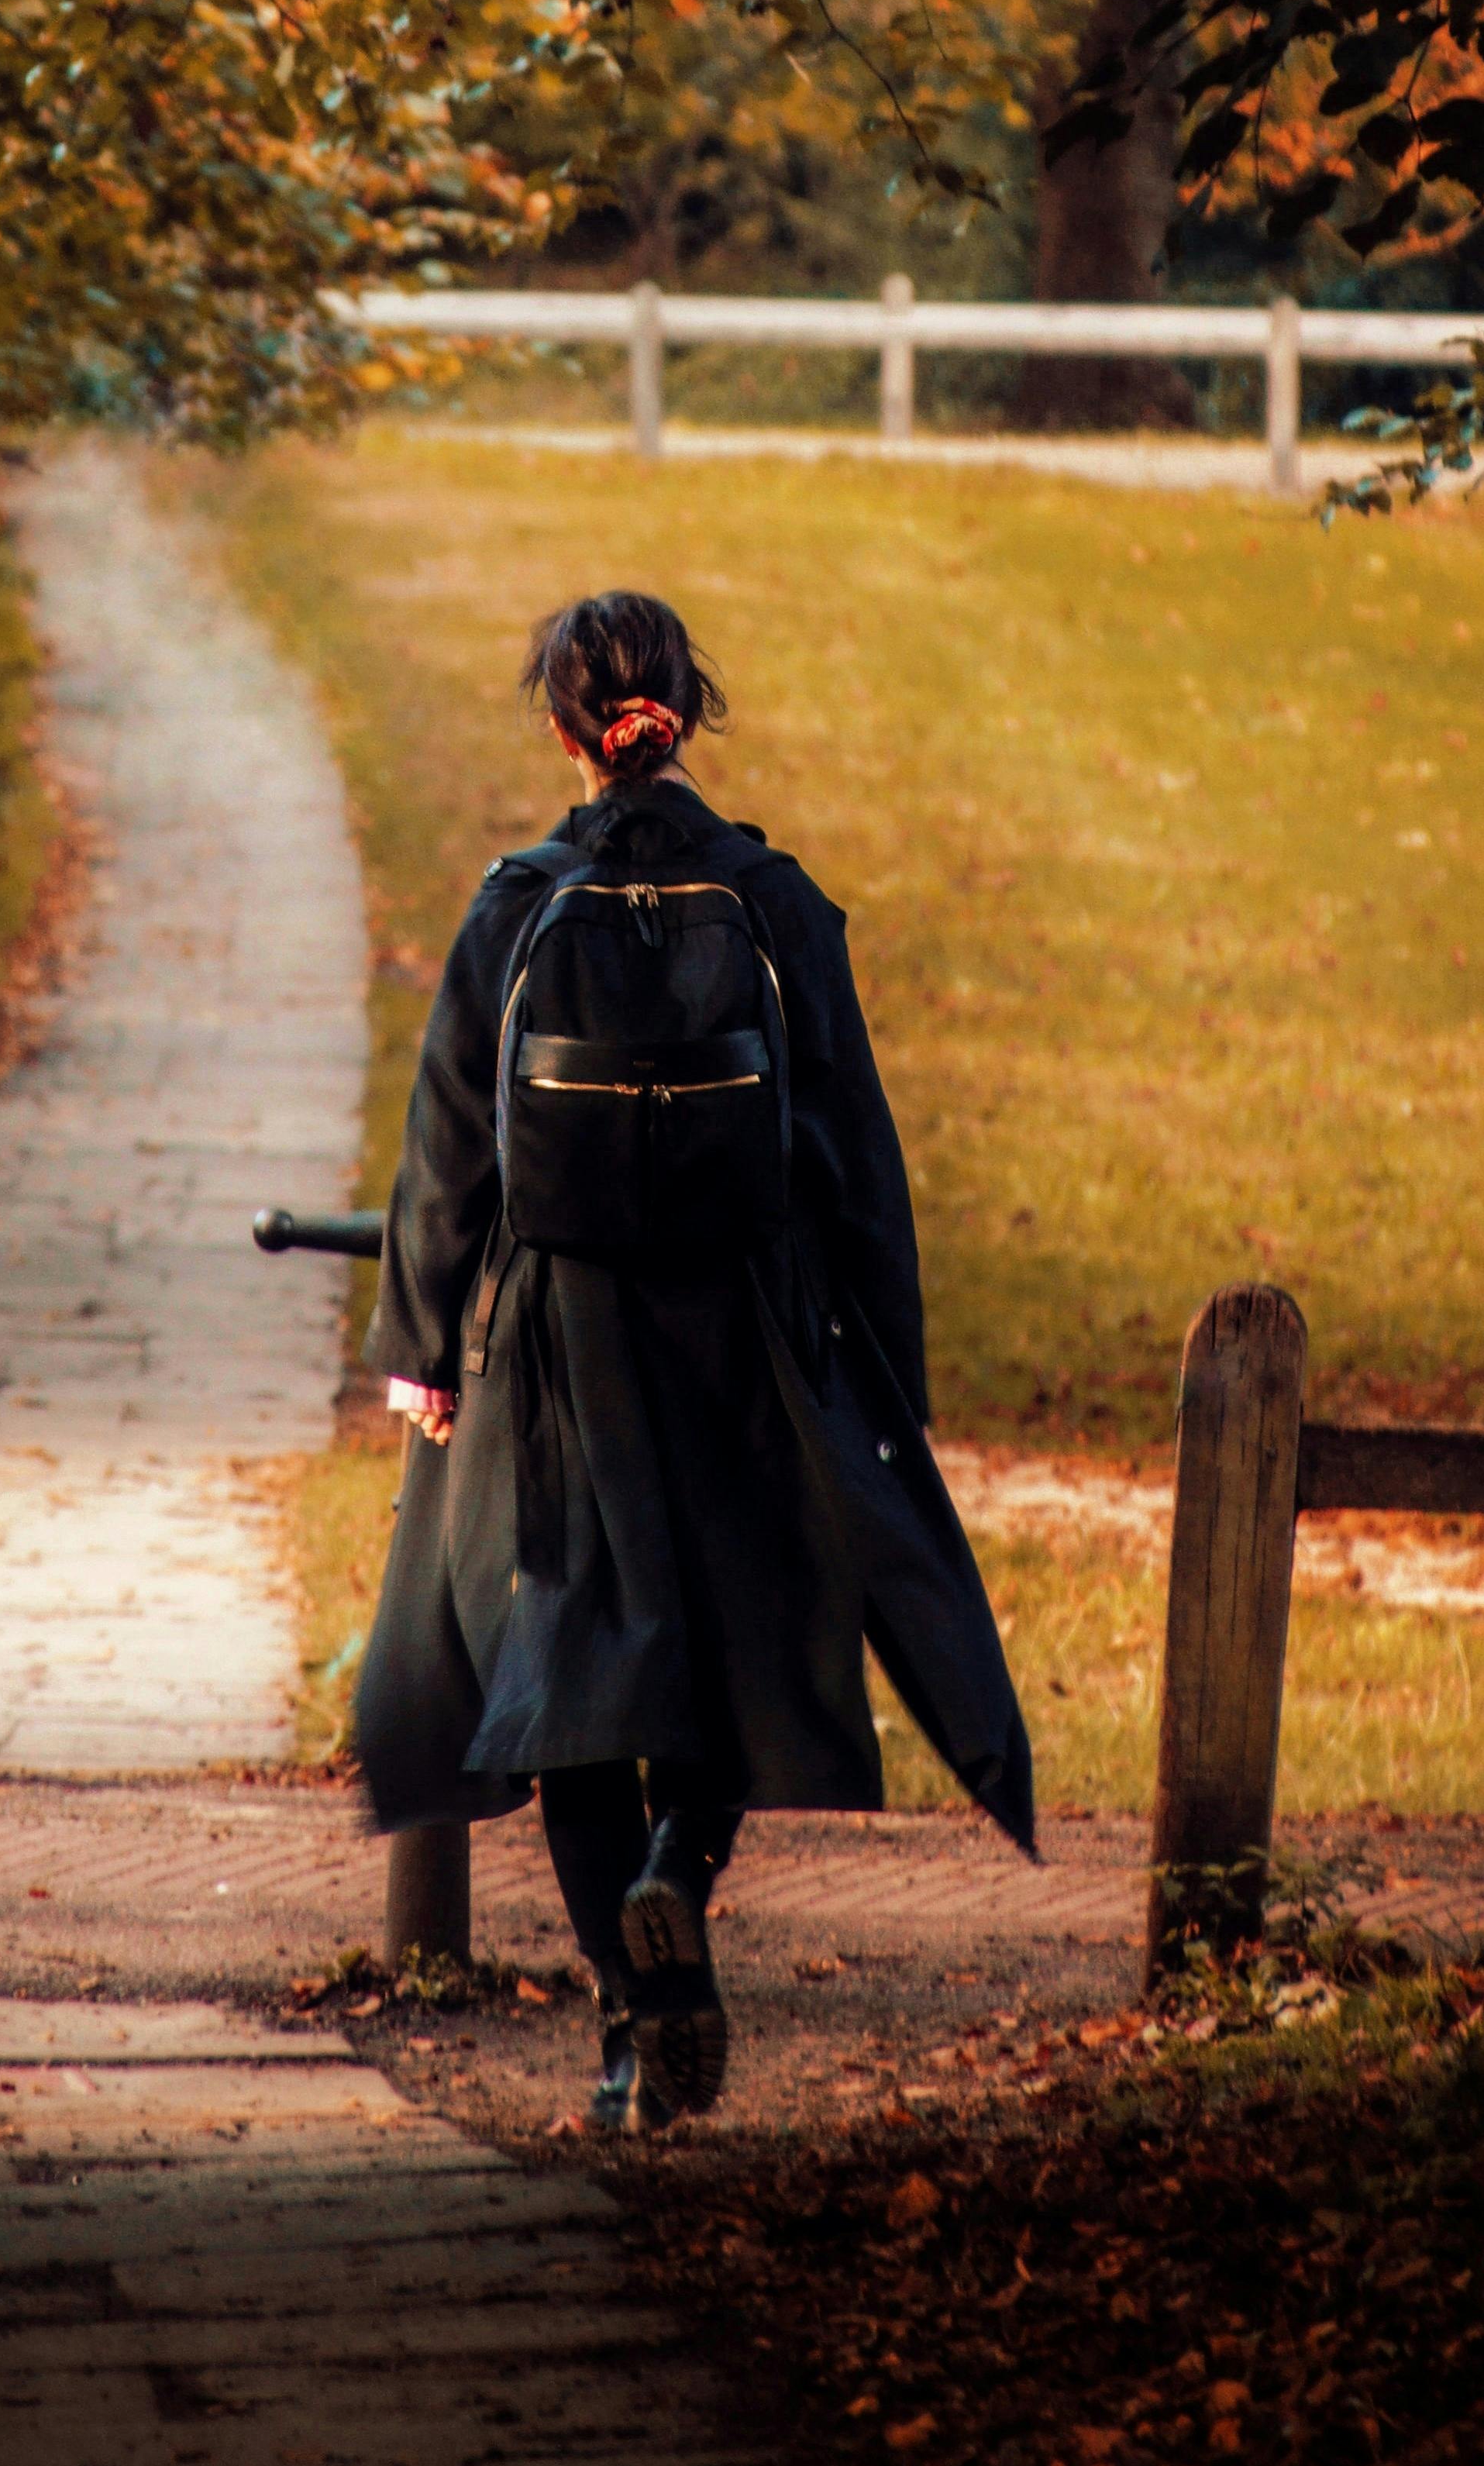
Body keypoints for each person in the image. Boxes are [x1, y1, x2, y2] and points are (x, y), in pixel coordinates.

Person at [356, 589, 1035, 2135]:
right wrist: (885, 1373)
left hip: (552, 1345)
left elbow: (449, 1142)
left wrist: (418, 1342)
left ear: (559, 725)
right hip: (745, 1334)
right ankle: (679, 1874)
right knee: (732, 1650)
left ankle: (632, 2015)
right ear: (688, 709)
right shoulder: (775, 903)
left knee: (571, 1673)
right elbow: (852, 1152)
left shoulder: (515, 901)